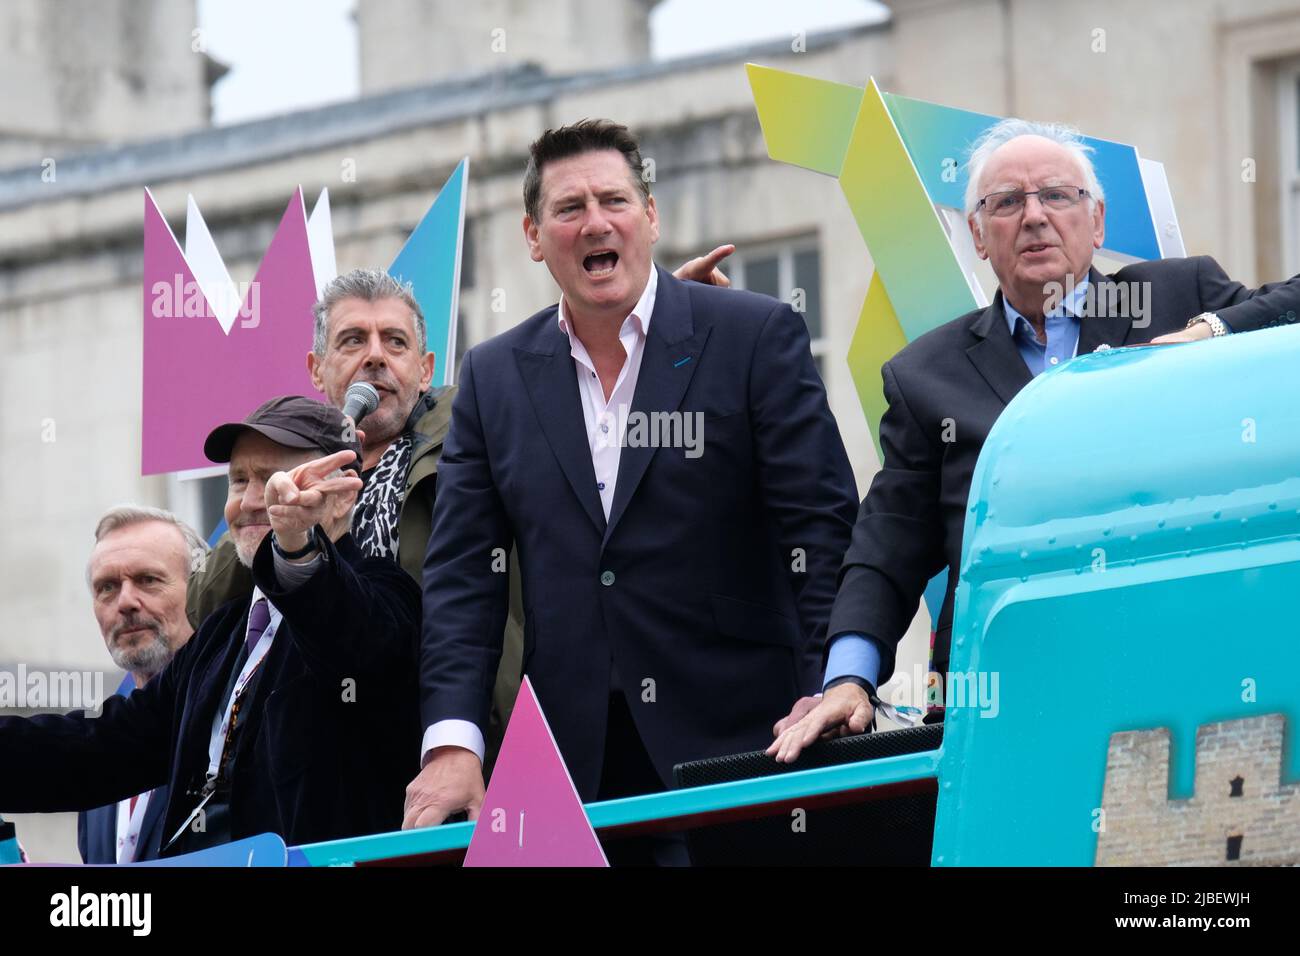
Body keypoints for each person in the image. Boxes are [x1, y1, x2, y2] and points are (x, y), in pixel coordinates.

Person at [769, 118, 1300, 762]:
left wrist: (1206, 332)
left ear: (1097, 222)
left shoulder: (1174, 296)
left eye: (1057, 195)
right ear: (977, 236)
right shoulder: (924, 375)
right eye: (1007, 202)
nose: (1035, 217)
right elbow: (887, 541)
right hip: (1003, 686)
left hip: (1177, 655)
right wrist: (848, 677)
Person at [403, 118, 858, 863]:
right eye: (568, 208)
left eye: (613, 200)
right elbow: (461, 579)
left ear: (650, 215)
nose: (594, 223)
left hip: (756, 741)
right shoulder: (493, 376)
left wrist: (832, 682)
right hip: (575, 775)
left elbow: (822, 527)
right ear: (533, 234)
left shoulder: (753, 334)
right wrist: (452, 741)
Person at [187, 257, 734, 769]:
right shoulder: (289, 464)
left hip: (475, 741)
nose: (375, 356)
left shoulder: (482, 428)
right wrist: (283, 513)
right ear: (316, 369)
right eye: (352, 340)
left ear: (425, 370)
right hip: (337, 764)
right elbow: (203, 600)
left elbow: (581, 391)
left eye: (394, 342)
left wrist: (646, 333)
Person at [0, 397, 422, 854]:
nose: (251, 501)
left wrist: (296, 545)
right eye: (240, 480)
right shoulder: (221, 635)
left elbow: (349, 639)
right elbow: (103, 747)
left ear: (340, 496)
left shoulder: (386, 594)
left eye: (275, 480)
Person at [79, 506, 207, 863]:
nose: (125, 602)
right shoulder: (96, 755)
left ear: (201, 587)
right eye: (107, 587)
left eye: (148, 579)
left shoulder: (232, 724)